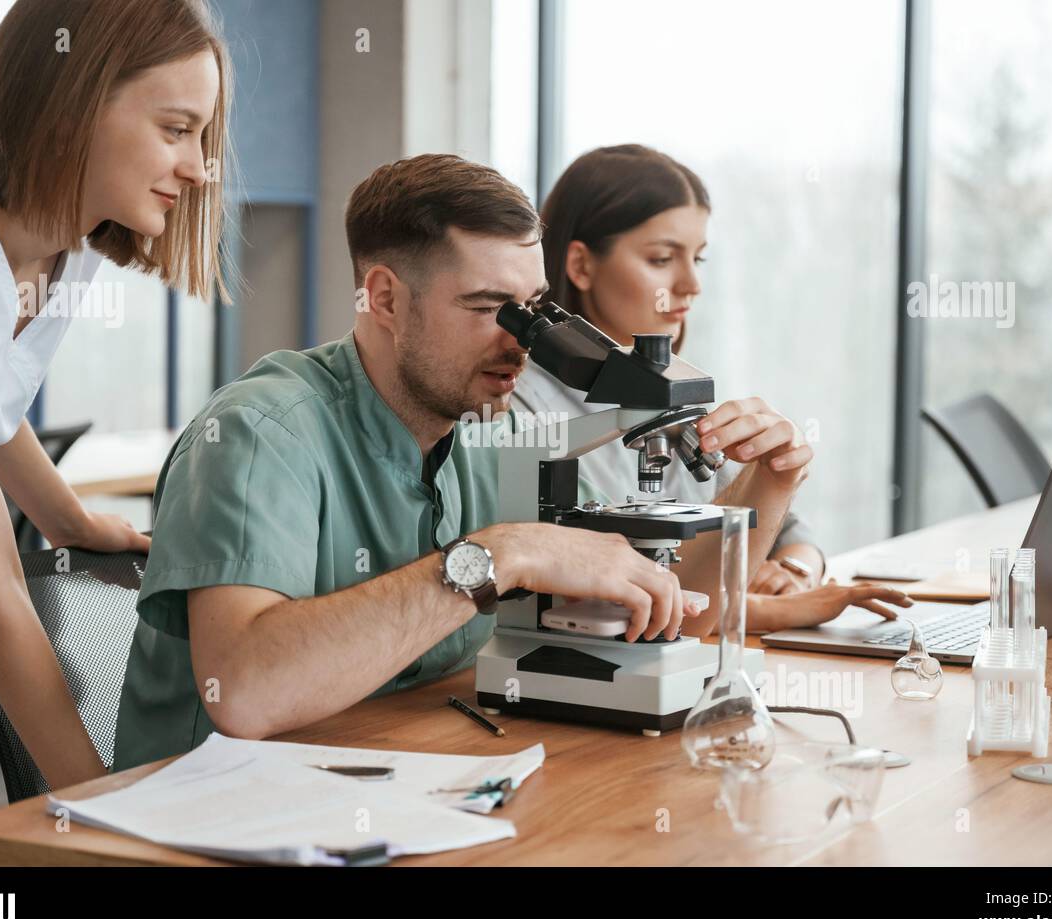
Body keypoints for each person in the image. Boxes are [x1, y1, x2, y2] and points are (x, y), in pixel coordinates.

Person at [112, 153, 841, 769]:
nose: (520, 340)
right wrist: (502, 551)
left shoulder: (487, 433)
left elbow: (676, 612)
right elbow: (242, 691)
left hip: (397, 774)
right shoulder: (260, 434)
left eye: (533, 307)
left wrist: (770, 482)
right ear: (386, 298)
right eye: (489, 306)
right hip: (213, 819)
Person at [0, 0, 234, 801]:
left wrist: (68, 520)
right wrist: (103, 812)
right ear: (72, 106)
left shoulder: (69, 247)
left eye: (202, 136)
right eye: (176, 130)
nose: (201, 167)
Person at [516, 144, 911, 632]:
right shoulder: (524, 409)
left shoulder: (670, 391)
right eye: (662, 258)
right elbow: (623, 592)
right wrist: (777, 608)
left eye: (698, 259)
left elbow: (788, 528)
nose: (691, 285)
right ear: (580, 265)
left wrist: (793, 570)